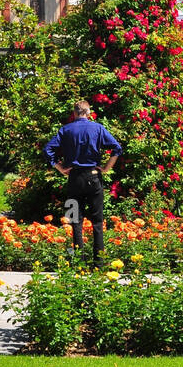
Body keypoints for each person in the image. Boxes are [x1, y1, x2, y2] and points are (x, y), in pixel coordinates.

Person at [43, 100, 123, 264]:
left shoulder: (66, 130)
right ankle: (99, 263)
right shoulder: (98, 128)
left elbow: (47, 149)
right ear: (88, 113)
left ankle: (79, 261)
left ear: (74, 113)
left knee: (75, 219)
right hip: (94, 177)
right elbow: (117, 148)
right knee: (97, 221)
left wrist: (59, 167)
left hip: (74, 179)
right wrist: (107, 168)